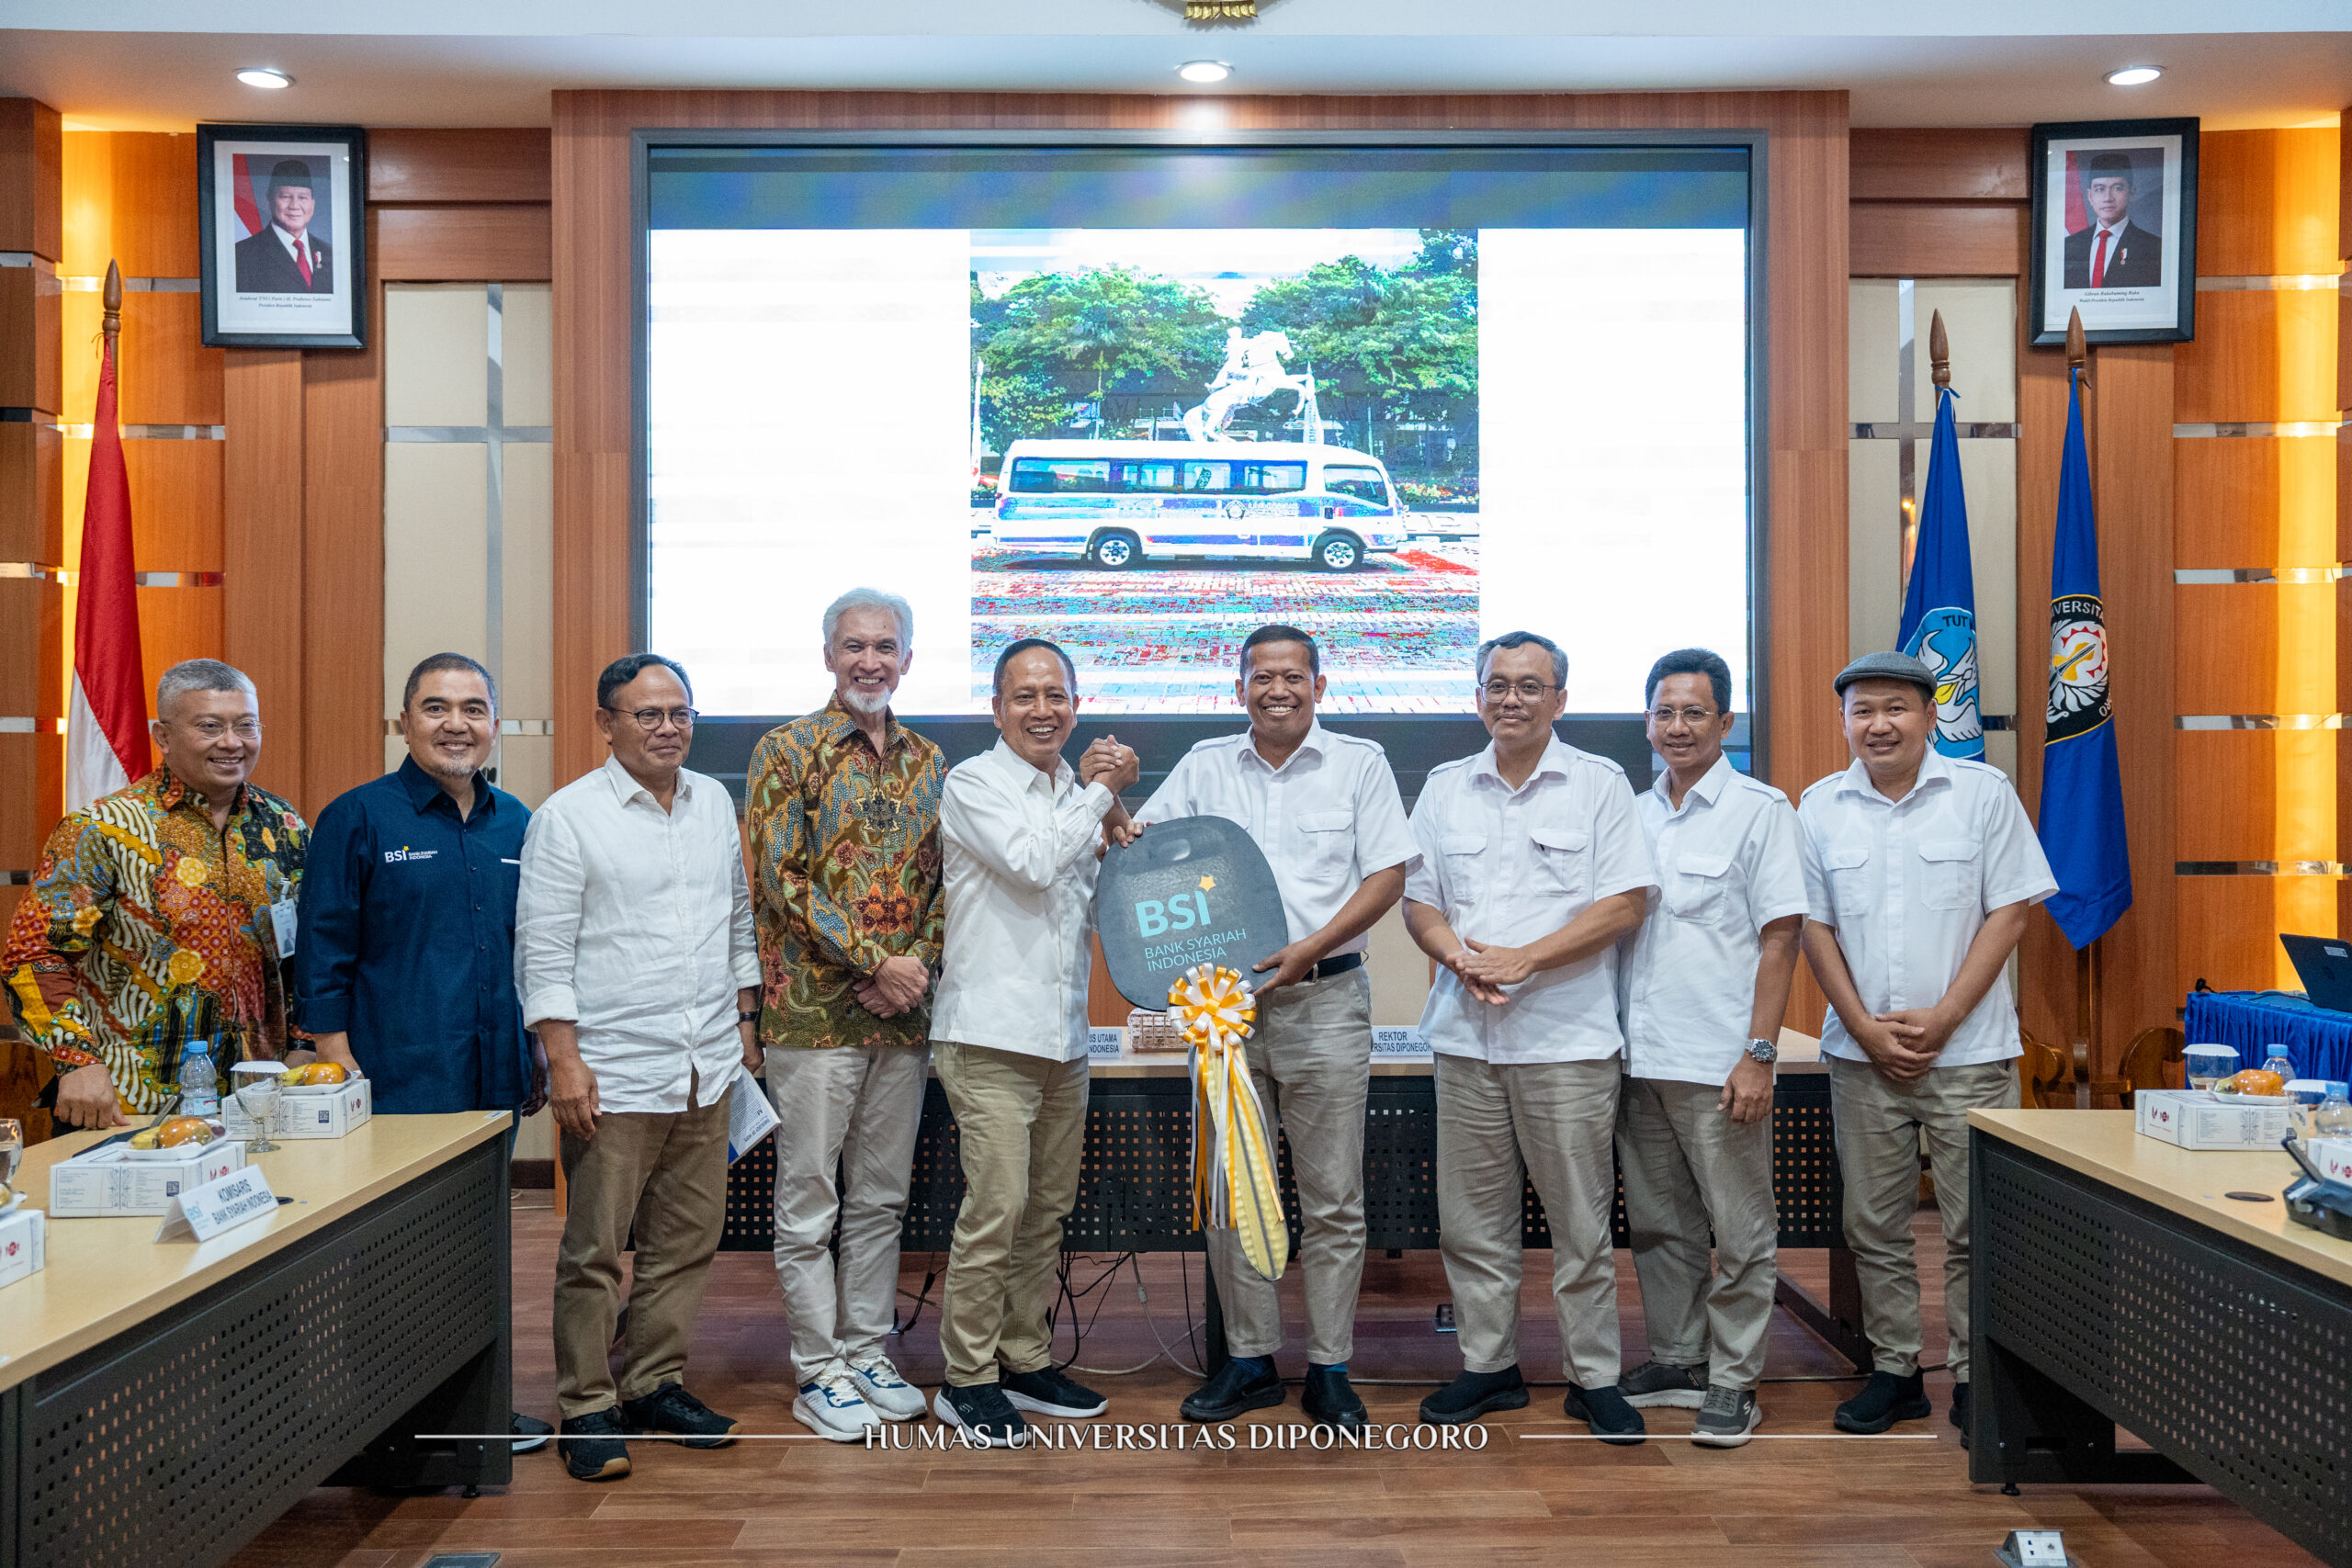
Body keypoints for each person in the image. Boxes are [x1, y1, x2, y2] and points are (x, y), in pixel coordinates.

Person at [1137, 624, 1419, 1430]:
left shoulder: (1359, 764)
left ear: (1320, 687)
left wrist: (1310, 949)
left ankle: (1329, 1364)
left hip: (1325, 1000)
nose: (1278, 690)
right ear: (1239, 690)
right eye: (1262, 677)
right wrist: (1115, 796)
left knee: (1331, 1194)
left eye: (1294, 676)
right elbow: (1143, 853)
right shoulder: (1202, 766)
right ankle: (1251, 1358)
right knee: (1234, 1192)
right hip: (1224, 1013)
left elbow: (1388, 874)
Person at [1399, 631, 1657, 1443]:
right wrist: (1456, 957)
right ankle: (1489, 1366)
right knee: (1471, 1221)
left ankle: (1595, 1376)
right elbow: (1419, 901)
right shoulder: (1444, 788)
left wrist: (1525, 959)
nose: (1511, 699)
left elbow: (1625, 902)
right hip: (1465, 1038)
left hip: (1568, 1042)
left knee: (1581, 1223)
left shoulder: (1598, 784)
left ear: (1560, 699)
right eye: (1497, 685)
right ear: (1477, 695)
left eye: (1529, 686)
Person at [295, 651, 553, 1454]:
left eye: (473, 708)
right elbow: (323, 950)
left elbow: (532, 951)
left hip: (493, 1078)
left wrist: (536, 1050)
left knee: (476, 1250)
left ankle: (471, 1408)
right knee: (392, 1256)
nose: (456, 724)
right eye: (436, 707)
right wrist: (338, 1060)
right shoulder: (359, 817)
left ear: (494, 723)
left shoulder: (518, 821)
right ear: (402, 721)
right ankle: (387, 1424)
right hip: (396, 1079)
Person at [515, 653, 762, 1483]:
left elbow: (735, 923)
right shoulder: (567, 818)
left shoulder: (709, 802)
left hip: (704, 1063)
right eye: (647, 714)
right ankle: (587, 1403)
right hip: (613, 1071)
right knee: (593, 1249)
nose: (667, 727)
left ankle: (656, 1383)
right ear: (607, 723)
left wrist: (745, 1022)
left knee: (685, 1241)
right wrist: (564, 1060)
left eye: (679, 712)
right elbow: (542, 951)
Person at [1799, 651, 2057, 1439]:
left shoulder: (1982, 795)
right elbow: (1814, 928)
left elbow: (2009, 913)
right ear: (1844, 722)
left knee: (1976, 1223)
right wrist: (1866, 1029)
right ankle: (1896, 1371)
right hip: (1861, 1055)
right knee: (1872, 1224)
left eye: (1895, 708)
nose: (1878, 724)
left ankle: (1981, 1377)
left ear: (1930, 714)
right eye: (1862, 710)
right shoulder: (1816, 807)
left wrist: (1944, 1017)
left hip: (1969, 1051)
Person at [743, 589, 945, 1441]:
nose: (871, 660)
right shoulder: (786, 750)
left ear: (907, 658)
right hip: (813, 1015)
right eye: (855, 646)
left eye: (886, 646)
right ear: (829, 654)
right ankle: (818, 1369)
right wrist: (874, 961)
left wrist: (914, 969)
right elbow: (779, 879)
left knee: (881, 1199)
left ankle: (867, 1350)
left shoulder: (931, 758)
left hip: (902, 1018)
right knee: (809, 1199)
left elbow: (946, 880)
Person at [927, 638, 1137, 1448]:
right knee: (997, 1209)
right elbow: (1033, 863)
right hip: (987, 1037)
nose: (1042, 709)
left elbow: (1089, 893)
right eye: (1025, 696)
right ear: (996, 708)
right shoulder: (974, 782)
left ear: (1075, 706)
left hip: (1064, 1039)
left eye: (1057, 695)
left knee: (1045, 1211)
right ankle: (967, 1378)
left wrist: (1117, 814)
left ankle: (1023, 1355)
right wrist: (1099, 794)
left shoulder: (1073, 794)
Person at [1613, 648, 1807, 1449]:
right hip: (1637, 1058)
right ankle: (1677, 1357)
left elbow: (1781, 935)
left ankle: (1733, 1379)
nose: (1678, 726)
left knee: (1740, 1228)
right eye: (1665, 712)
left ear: (1725, 722)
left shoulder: (1761, 810)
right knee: (1661, 1224)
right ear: (1648, 722)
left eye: (1695, 712)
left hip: (1719, 1060)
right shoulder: (1631, 809)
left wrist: (1759, 1052)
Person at [5, 660, 310, 1126]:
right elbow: (34, 953)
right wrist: (77, 1060)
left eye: (245, 726)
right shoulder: (103, 831)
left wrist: (305, 1042)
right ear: (162, 736)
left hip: (261, 1099)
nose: (232, 742)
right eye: (209, 726)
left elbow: (312, 952)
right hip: (129, 1104)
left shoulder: (284, 827)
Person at [232, 159, 335, 295]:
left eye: (303, 198)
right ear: (268, 201)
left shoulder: (330, 253)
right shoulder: (242, 255)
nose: (294, 206)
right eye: (286, 197)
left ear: (313, 204)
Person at [2062, 152, 2162, 289]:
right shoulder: (2068, 246)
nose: (2108, 198)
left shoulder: (2153, 247)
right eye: (2099, 189)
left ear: (2131, 193)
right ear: (2090, 196)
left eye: (2117, 188)